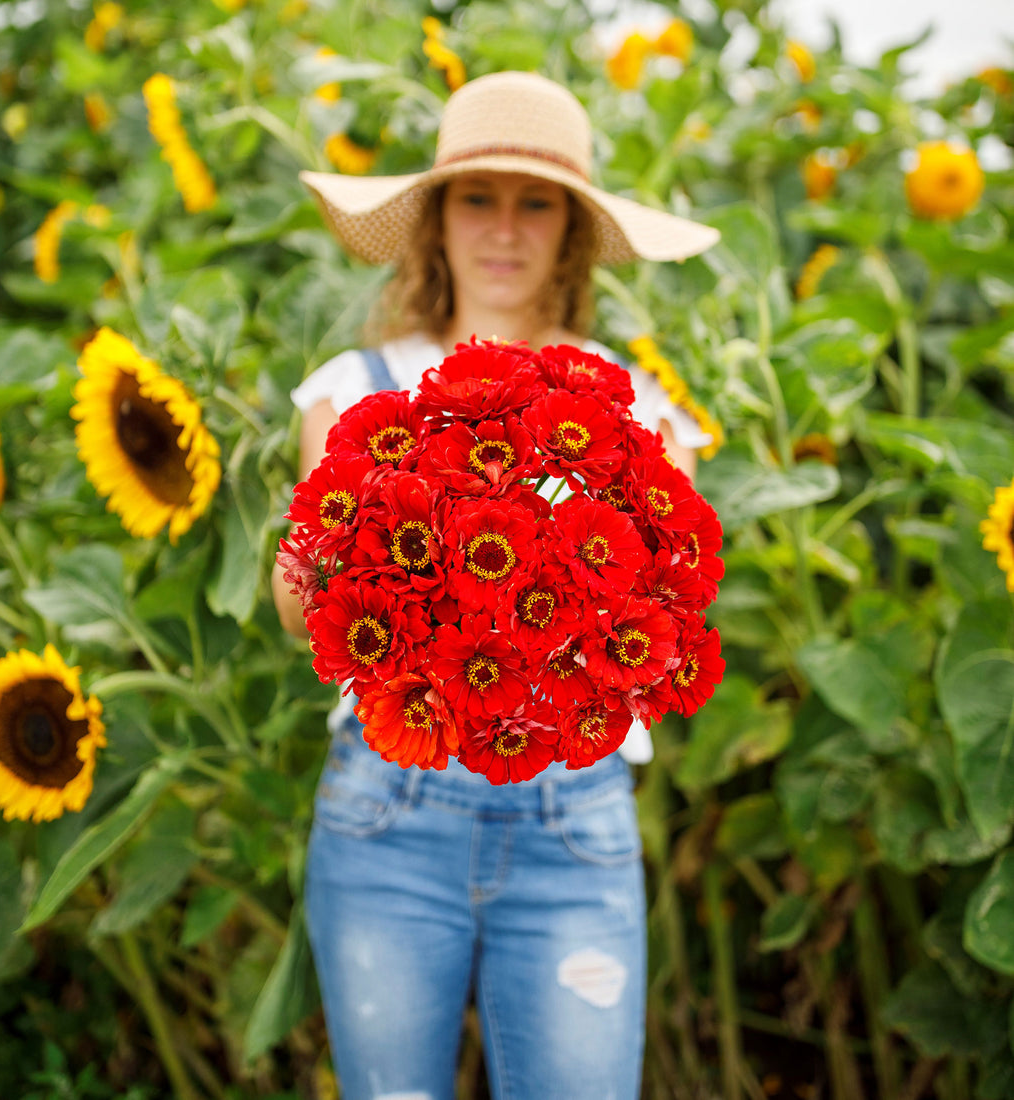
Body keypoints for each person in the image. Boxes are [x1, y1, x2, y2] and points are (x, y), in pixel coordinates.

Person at [272, 70, 719, 1100]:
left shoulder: (641, 404)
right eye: (477, 197)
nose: (505, 229)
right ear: (436, 219)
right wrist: (366, 553)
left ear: (572, 230)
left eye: (537, 202)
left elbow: (672, 605)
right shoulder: (352, 390)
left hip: (575, 817)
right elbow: (301, 612)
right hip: (387, 813)